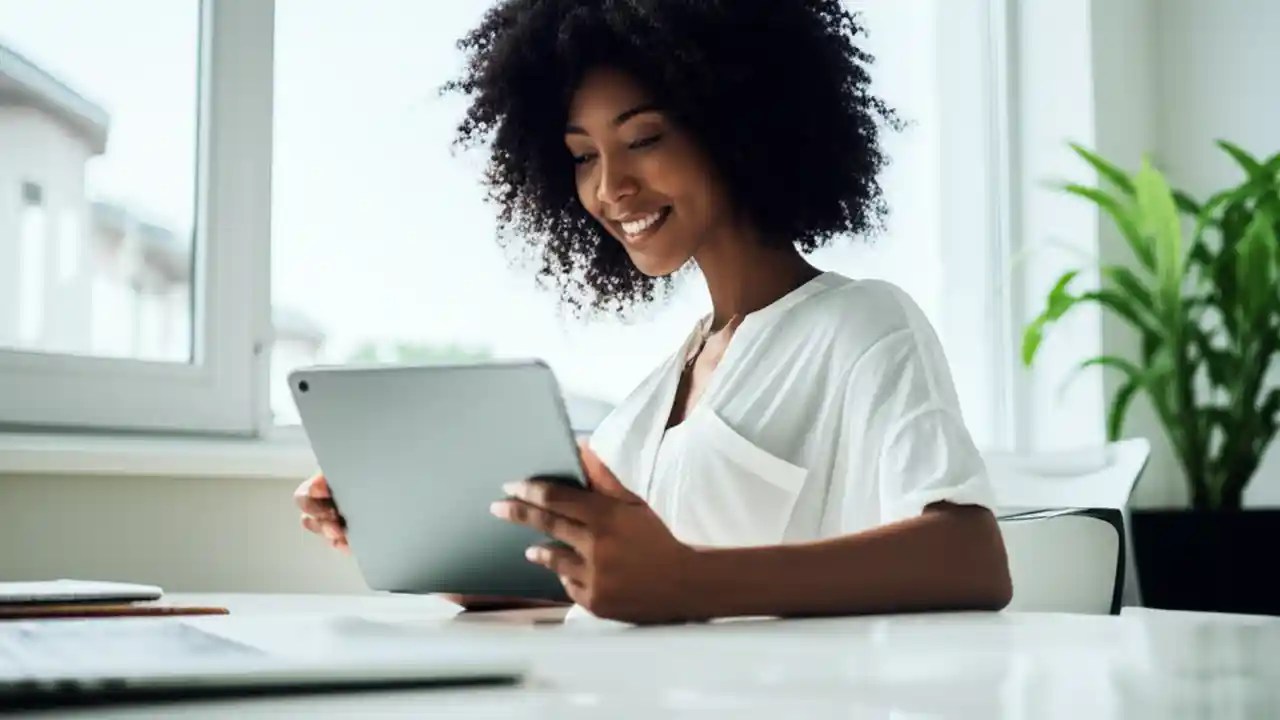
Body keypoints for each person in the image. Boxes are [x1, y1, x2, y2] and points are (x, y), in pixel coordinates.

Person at [295, 0, 1012, 624]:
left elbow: (971, 559)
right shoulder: (652, 401)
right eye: (583, 156)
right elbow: (579, 582)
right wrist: (409, 534)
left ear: (736, 123)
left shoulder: (861, 325)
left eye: (643, 139)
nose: (611, 187)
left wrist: (690, 581)